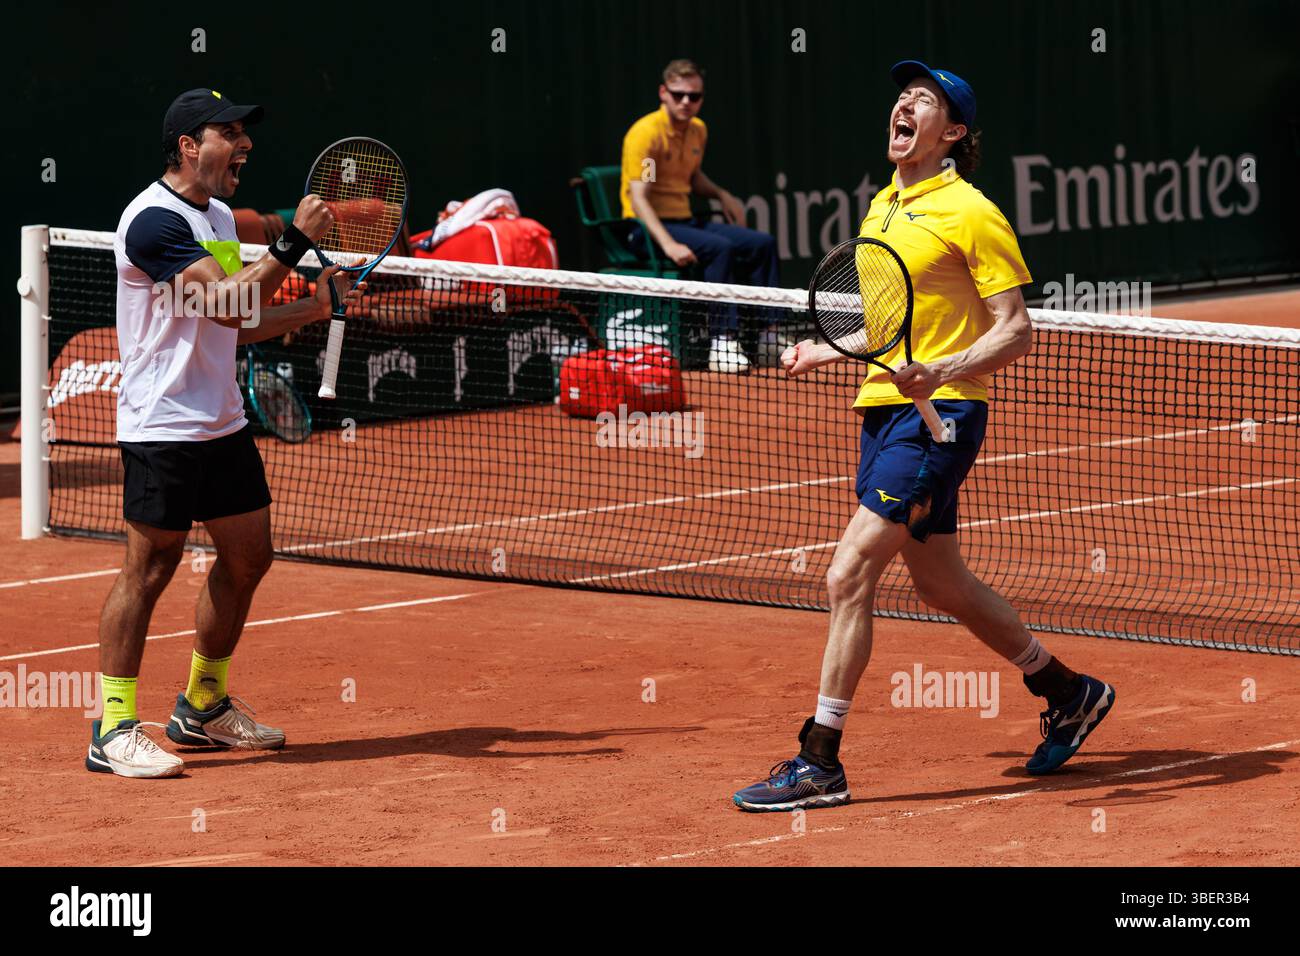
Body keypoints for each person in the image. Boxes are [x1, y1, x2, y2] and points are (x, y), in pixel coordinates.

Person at [733, 62, 1116, 811]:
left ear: (954, 132)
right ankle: (1067, 690)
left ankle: (820, 759)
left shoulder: (971, 212)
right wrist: (825, 347)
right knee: (941, 584)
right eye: (904, 95)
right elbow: (884, 319)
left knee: (847, 575)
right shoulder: (881, 207)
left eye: (926, 100)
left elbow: (1015, 330)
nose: (906, 104)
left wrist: (939, 367)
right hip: (884, 411)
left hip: (940, 419)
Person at [88, 88, 363, 778]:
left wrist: (311, 303)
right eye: (229, 132)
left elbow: (237, 321)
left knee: (248, 559)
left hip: (221, 422)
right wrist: (294, 243)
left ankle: (201, 707)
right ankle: (114, 726)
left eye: (245, 132)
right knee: (149, 569)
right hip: (163, 426)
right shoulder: (153, 221)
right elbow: (224, 298)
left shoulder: (213, 215)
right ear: (188, 145)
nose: (244, 143)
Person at [620, 59, 785, 373]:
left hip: (683, 220)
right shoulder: (647, 135)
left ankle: (769, 336)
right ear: (663, 93)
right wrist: (667, 244)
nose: (686, 102)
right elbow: (640, 199)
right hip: (644, 228)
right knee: (719, 247)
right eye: (679, 94)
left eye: (693, 96)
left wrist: (722, 195)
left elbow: (693, 179)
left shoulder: (697, 131)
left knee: (761, 244)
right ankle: (723, 340)